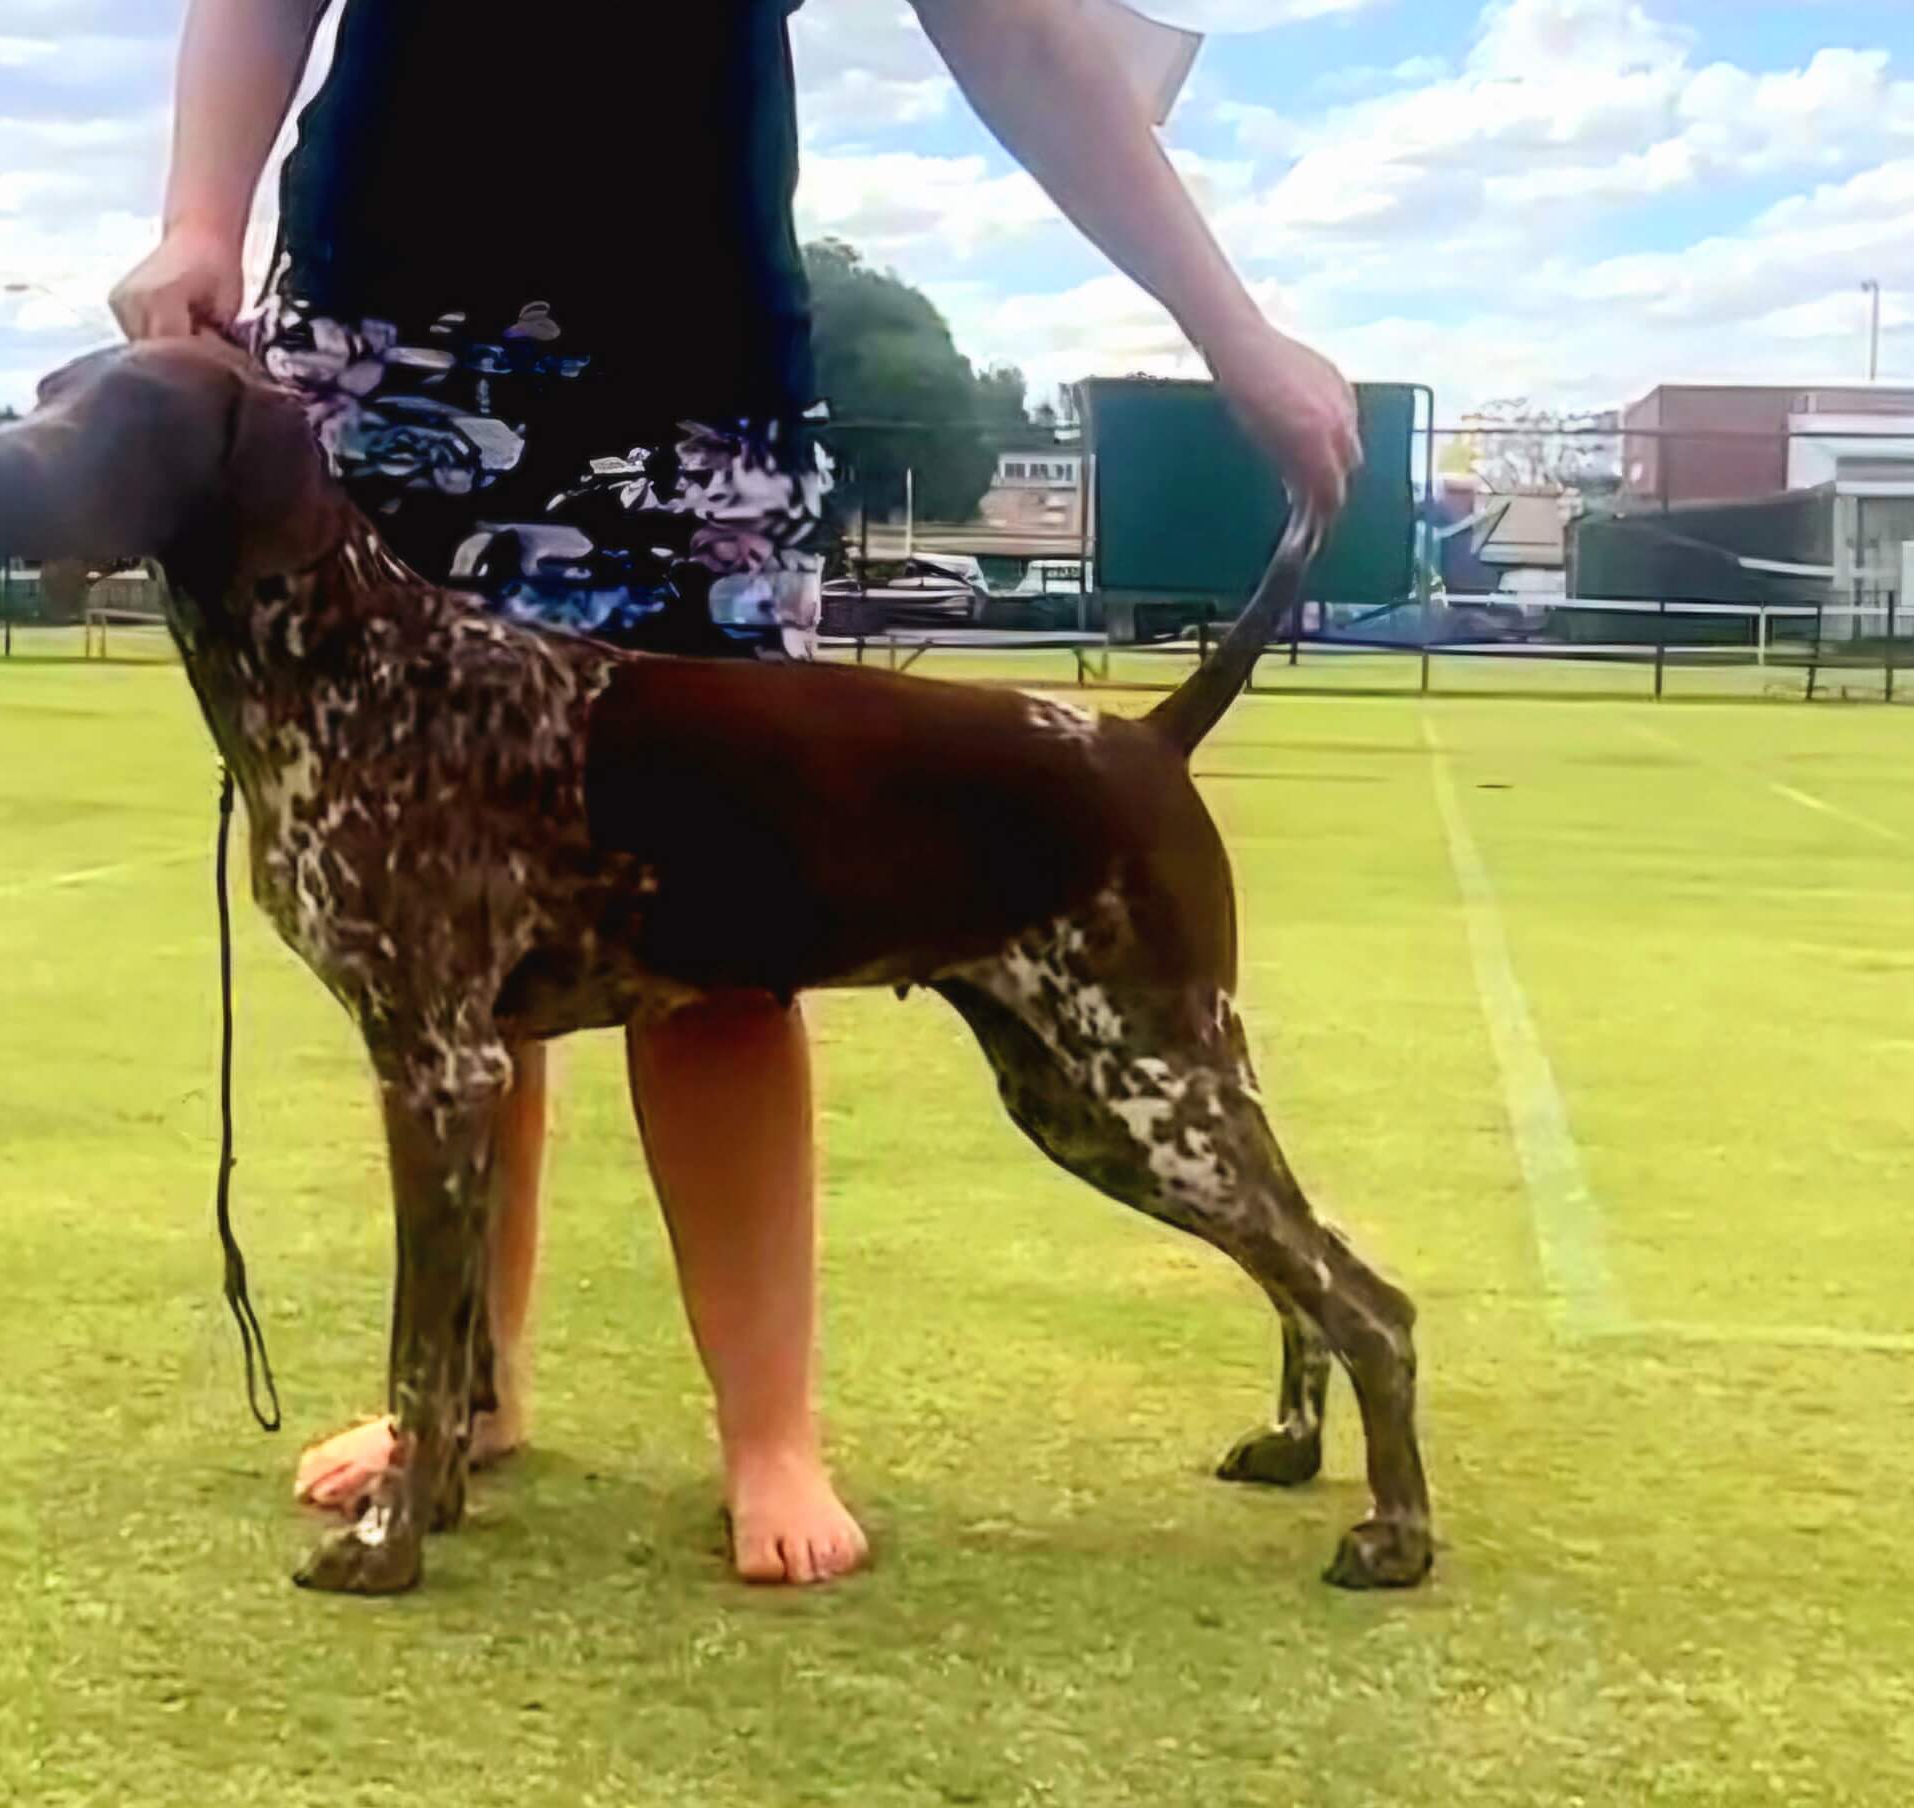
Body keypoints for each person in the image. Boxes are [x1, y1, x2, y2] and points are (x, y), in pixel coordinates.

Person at [113, 0, 1362, 1587]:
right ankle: (467, 1401)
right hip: (384, 357)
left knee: (726, 931)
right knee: (442, 955)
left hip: (682, 384)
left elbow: (1029, 40)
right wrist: (198, 219)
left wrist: (1229, 328)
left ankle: (770, 1431)